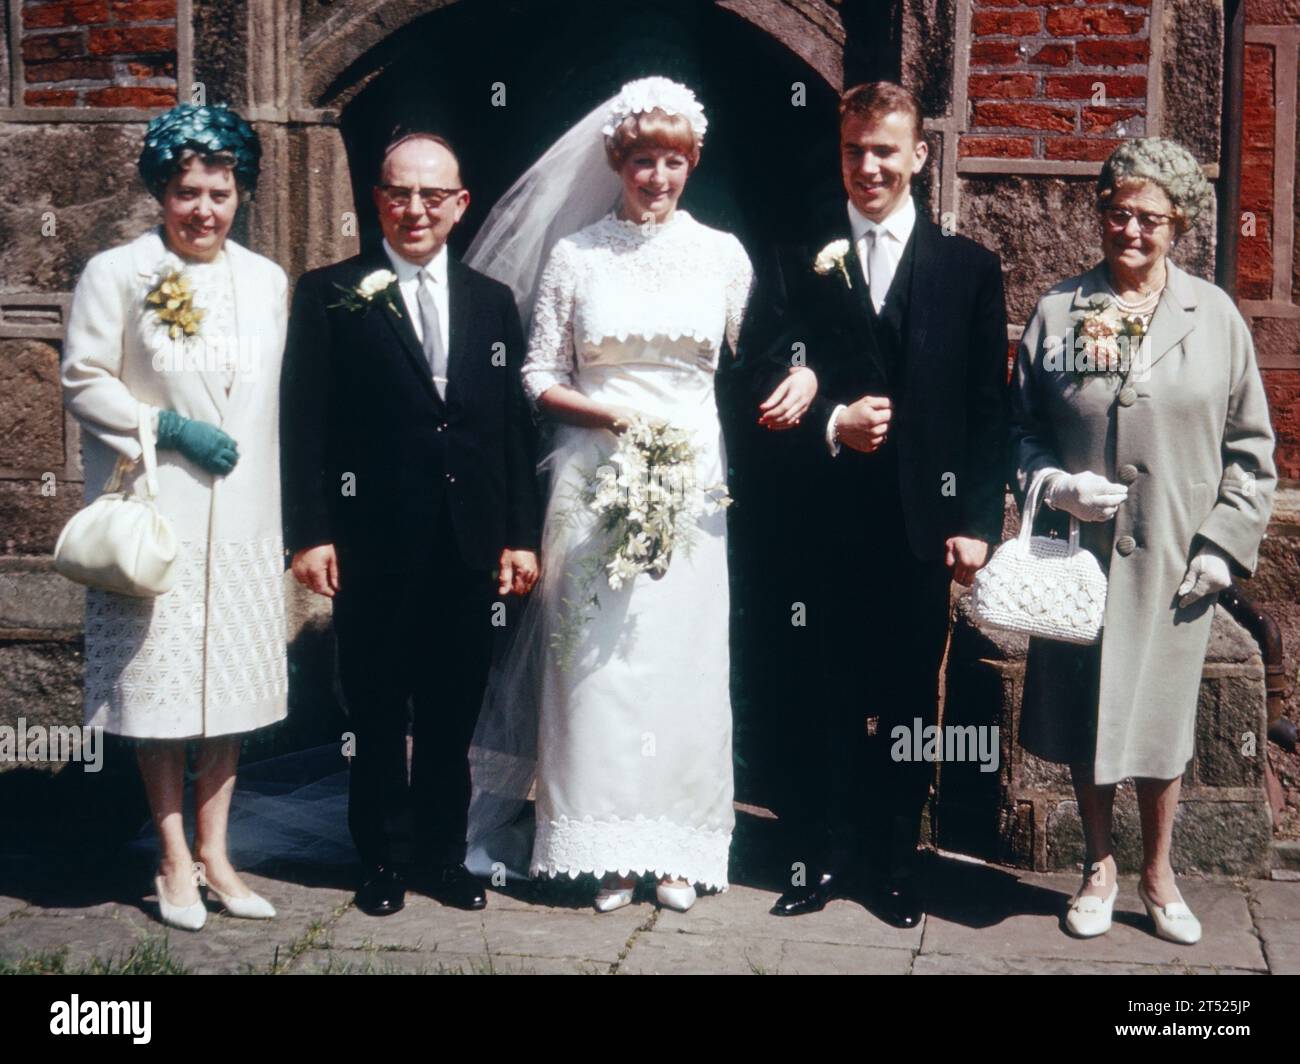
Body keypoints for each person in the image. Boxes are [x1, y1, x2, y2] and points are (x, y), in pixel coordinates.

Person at [467, 77, 753, 914]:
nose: (655, 177)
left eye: (671, 161)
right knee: (598, 663)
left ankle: (674, 843)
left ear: (691, 162)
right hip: (593, 477)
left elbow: (747, 362)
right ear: (615, 163)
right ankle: (605, 844)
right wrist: (610, 414)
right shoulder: (575, 256)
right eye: (639, 161)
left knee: (680, 661)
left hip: (693, 484)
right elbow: (536, 375)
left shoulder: (724, 255)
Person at [750, 82, 1008, 928]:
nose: (868, 166)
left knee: (905, 699)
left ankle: (895, 861)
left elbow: (986, 406)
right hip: (821, 522)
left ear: (918, 157)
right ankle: (821, 854)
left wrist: (976, 522)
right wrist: (831, 420)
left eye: (884, 151)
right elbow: (759, 374)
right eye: (855, 150)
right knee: (820, 689)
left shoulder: (967, 269)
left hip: (919, 529)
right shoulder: (798, 256)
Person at [1010, 138, 1276, 944]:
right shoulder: (1062, 310)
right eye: (1117, 212)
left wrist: (1223, 546)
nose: (1131, 230)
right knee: (1088, 712)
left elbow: (1252, 449)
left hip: (1175, 563)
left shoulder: (1216, 315)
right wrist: (1054, 485)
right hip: (1084, 559)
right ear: (1099, 213)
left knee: (1162, 724)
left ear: (1180, 224)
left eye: (1150, 218)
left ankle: (1160, 875)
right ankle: (1098, 866)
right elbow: (1019, 431)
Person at [280, 131, 540, 917]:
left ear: (461, 205)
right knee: (379, 705)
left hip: (466, 540)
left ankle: (441, 856)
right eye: (400, 193)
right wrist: (309, 531)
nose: (415, 209)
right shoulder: (331, 292)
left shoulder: (491, 301)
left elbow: (509, 428)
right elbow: (304, 422)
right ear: (377, 199)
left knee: (453, 707)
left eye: (433, 195)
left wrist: (519, 533)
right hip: (373, 543)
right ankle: (380, 861)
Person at [61, 103, 288, 930]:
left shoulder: (266, 282)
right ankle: (169, 858)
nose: (204, 209)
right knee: (160, 695)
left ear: (241, 194)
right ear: (162, 191)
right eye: (187, 191)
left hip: (243, 521)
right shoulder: (119, 273)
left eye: (220, 192)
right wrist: (165, 426)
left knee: (225, 696)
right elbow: (84, 379)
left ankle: (218, 855)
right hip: (159, 512)